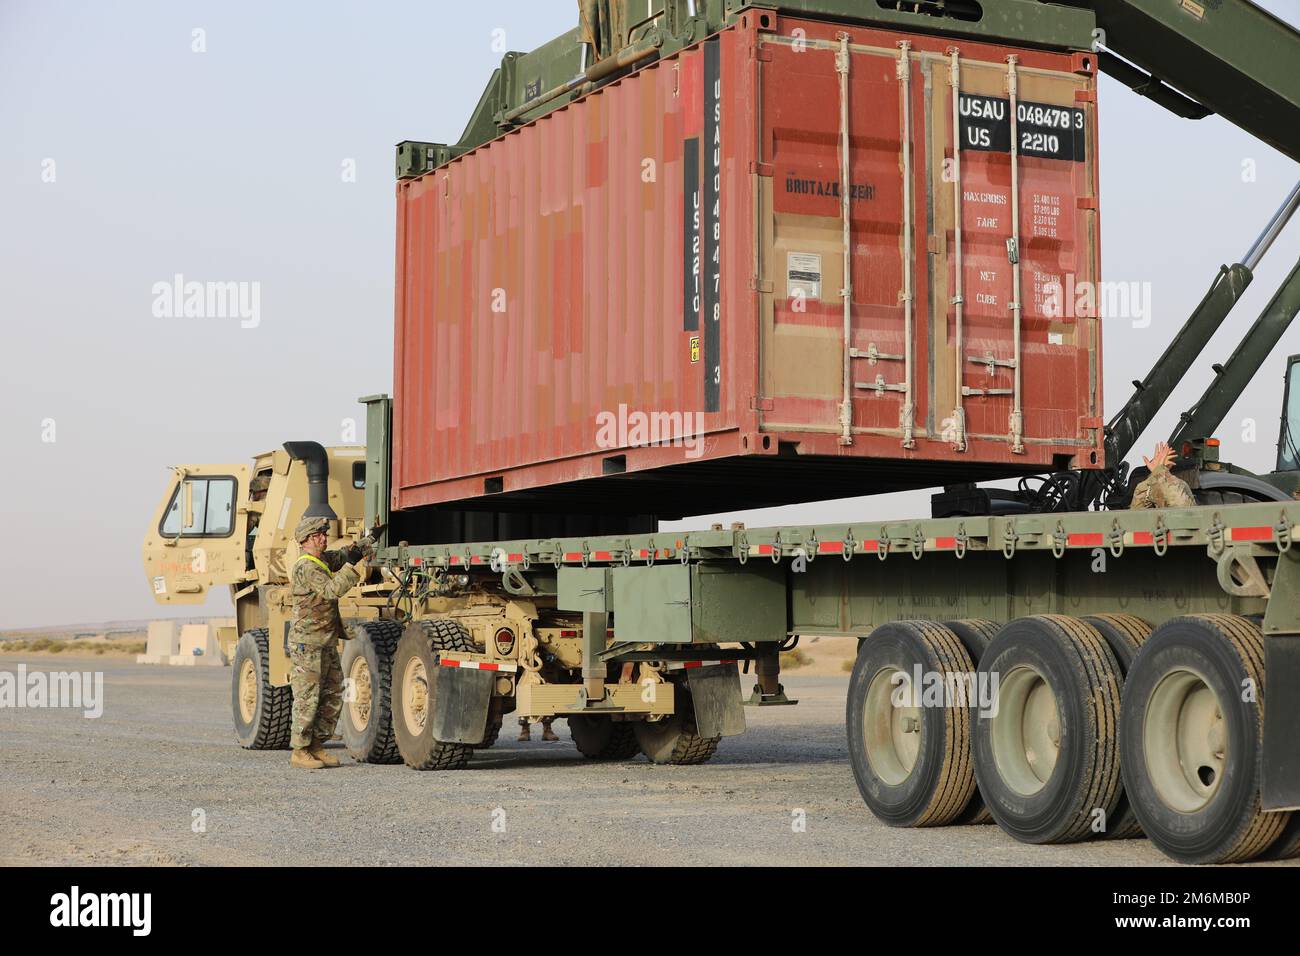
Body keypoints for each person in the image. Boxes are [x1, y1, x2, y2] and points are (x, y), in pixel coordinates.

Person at [288, 515, 371, 769]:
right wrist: (351, 570)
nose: (324, 538)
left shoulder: (320, 560)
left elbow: (342, 556)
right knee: (308, 696)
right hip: (308, 643)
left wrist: (365, 543)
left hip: (325, 639)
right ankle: (300, 750)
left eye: (324, 534)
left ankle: (316, 745)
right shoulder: (306, 566)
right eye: (319, 535)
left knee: (333, 693)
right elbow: (331, 590)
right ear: (306, 540)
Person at [1130, 441, 1196, 509]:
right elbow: (1136, 512)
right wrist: (1156, 474)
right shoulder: (1178, 486)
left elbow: (1183, 510)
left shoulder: (1181, 486)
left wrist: (1160, 472)